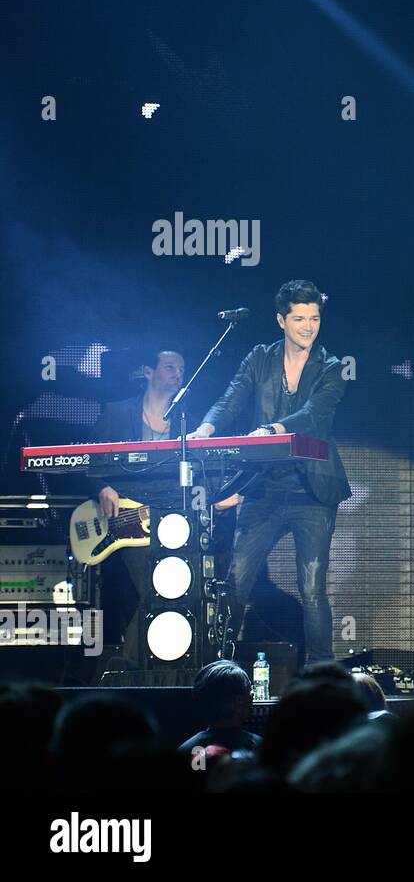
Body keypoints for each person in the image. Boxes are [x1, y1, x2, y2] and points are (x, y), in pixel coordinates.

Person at [189, 280, 351, 665]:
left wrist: (274, 430)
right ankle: (218, 666)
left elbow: (315, 415)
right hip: (261, 488)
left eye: (314, 318)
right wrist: (207, 427)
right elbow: (231, 397)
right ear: (281, 320)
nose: (308, 326)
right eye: (299, 319)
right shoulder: (259, 358)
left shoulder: (330, 367)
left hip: (311, 490)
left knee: (312, 587)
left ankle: (321, 673)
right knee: (237, 581)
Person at [86, 346, 187, 664]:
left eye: (181, 370)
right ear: (149, 372)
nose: (177, 375)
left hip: (170, 519)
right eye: (170, 367)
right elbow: (91, 461)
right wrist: (103, 486)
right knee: (156, 591)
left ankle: (136, 670)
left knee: (169, 593)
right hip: (127, 519)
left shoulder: (186, 420)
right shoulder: (118, 412)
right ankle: (124, 670)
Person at [176, 659, 261, 756]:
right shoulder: (260, 749)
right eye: (250, 691)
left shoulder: (187, 751)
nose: (252, 696)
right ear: (240, 702)